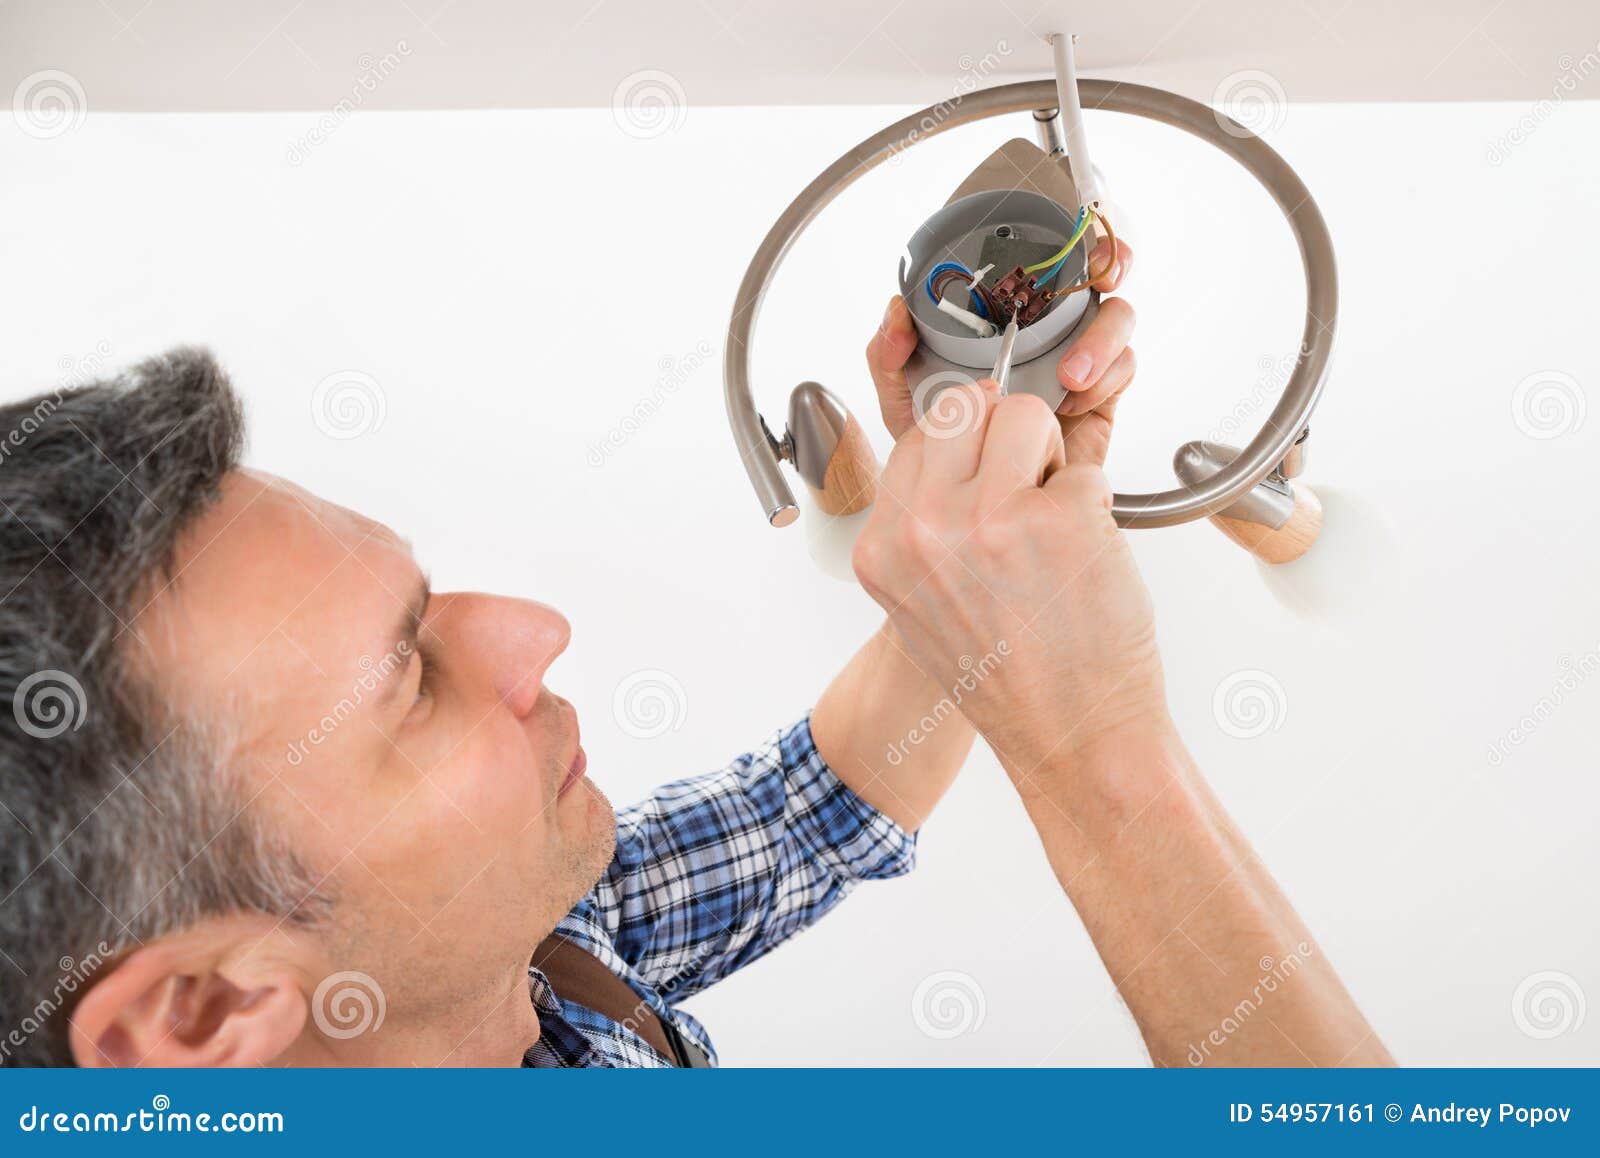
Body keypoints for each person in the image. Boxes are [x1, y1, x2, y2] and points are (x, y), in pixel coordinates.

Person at [0, 230, 1384, 1067]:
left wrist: (966, 482)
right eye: (409, 675)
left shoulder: (516, 958)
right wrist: (1096, 748)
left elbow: (809, 812)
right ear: (194, 1016)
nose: (533, 631)